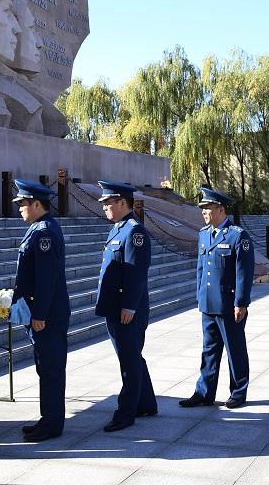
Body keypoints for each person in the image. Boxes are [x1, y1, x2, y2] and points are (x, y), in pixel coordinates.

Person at [179, 188, 255, 409]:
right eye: (202, 208)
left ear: (220, 209)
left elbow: (244, 272)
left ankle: (238, 391)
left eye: (208, 208)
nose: (204, 212)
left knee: (235, 349)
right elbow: (201, 269)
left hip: (229, 305)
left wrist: (241, 302)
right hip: (209, 303)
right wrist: (200, 296)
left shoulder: (237, 235)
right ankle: (204, 392)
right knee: (209, 350)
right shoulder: (204, 234)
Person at [94, 181, 157, 432]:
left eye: (109, 202)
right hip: (115, 306)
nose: (105, 207)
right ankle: (146, 402)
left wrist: (129, 307)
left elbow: (136, 273)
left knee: (129, 360)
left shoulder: (134, 231)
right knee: (131, 357)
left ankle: (126, 413)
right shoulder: (118, 229)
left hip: (127, 308)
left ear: (122, 202)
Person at [10, 180, 70, 442]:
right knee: (45, 368)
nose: (20, 208)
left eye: (23, 204)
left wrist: (39, 314)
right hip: (43, 311)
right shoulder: (39, 229)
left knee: (51, 368)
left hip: (47, 315)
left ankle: (52, 424)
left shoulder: (44, 232)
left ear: (37, 204)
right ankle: (48, 418)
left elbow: (46, 278)